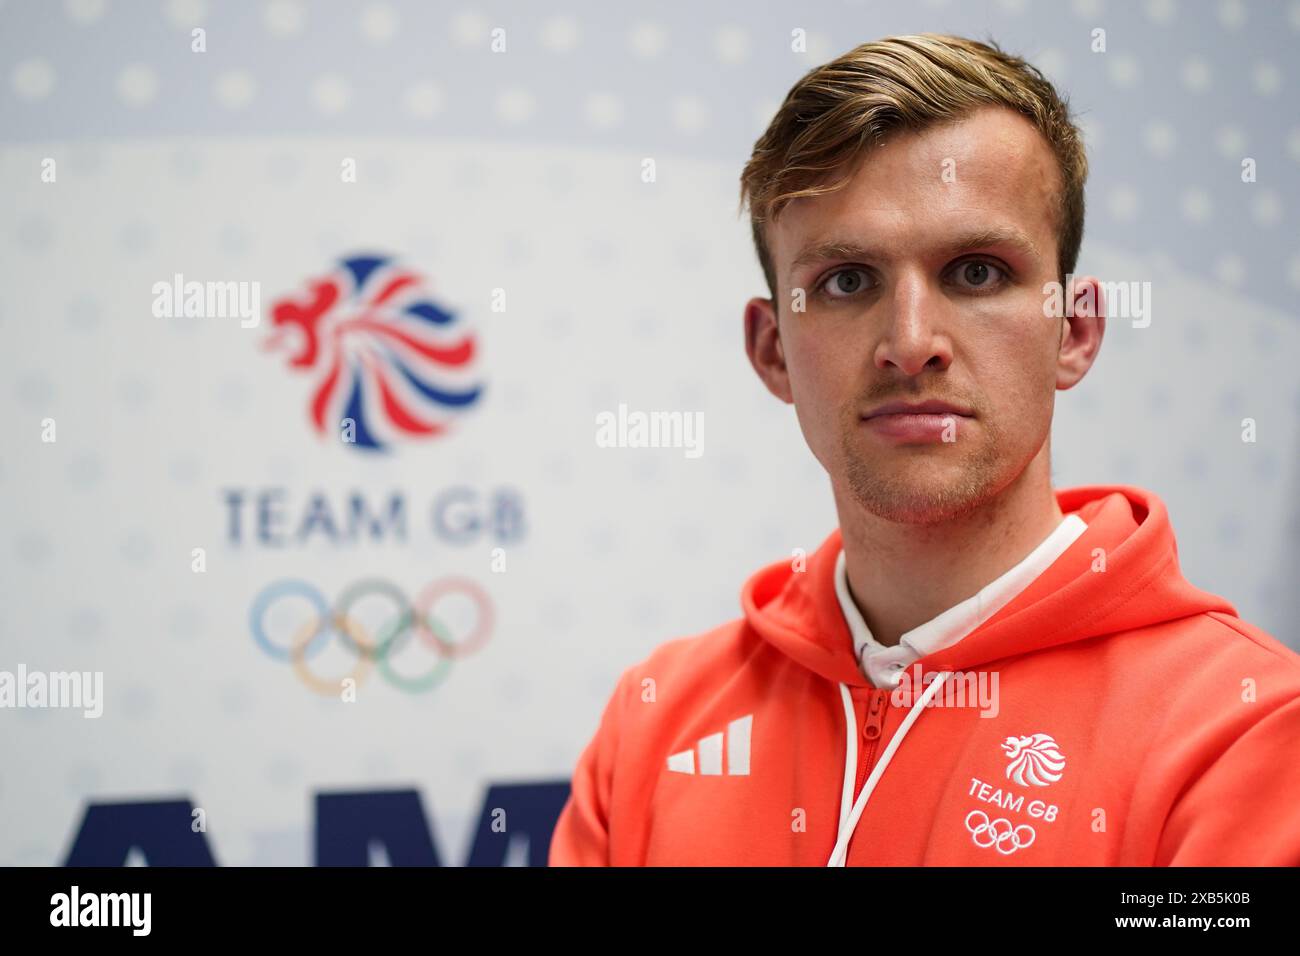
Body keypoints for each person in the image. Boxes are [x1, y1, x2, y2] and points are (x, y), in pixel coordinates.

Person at [548, 33, 1300, 866]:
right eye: (846, 281)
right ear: (771, 351)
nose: (910, 344)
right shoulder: (655, 723)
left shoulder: (1247, 731)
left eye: (976, 273)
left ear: (1075, 331)